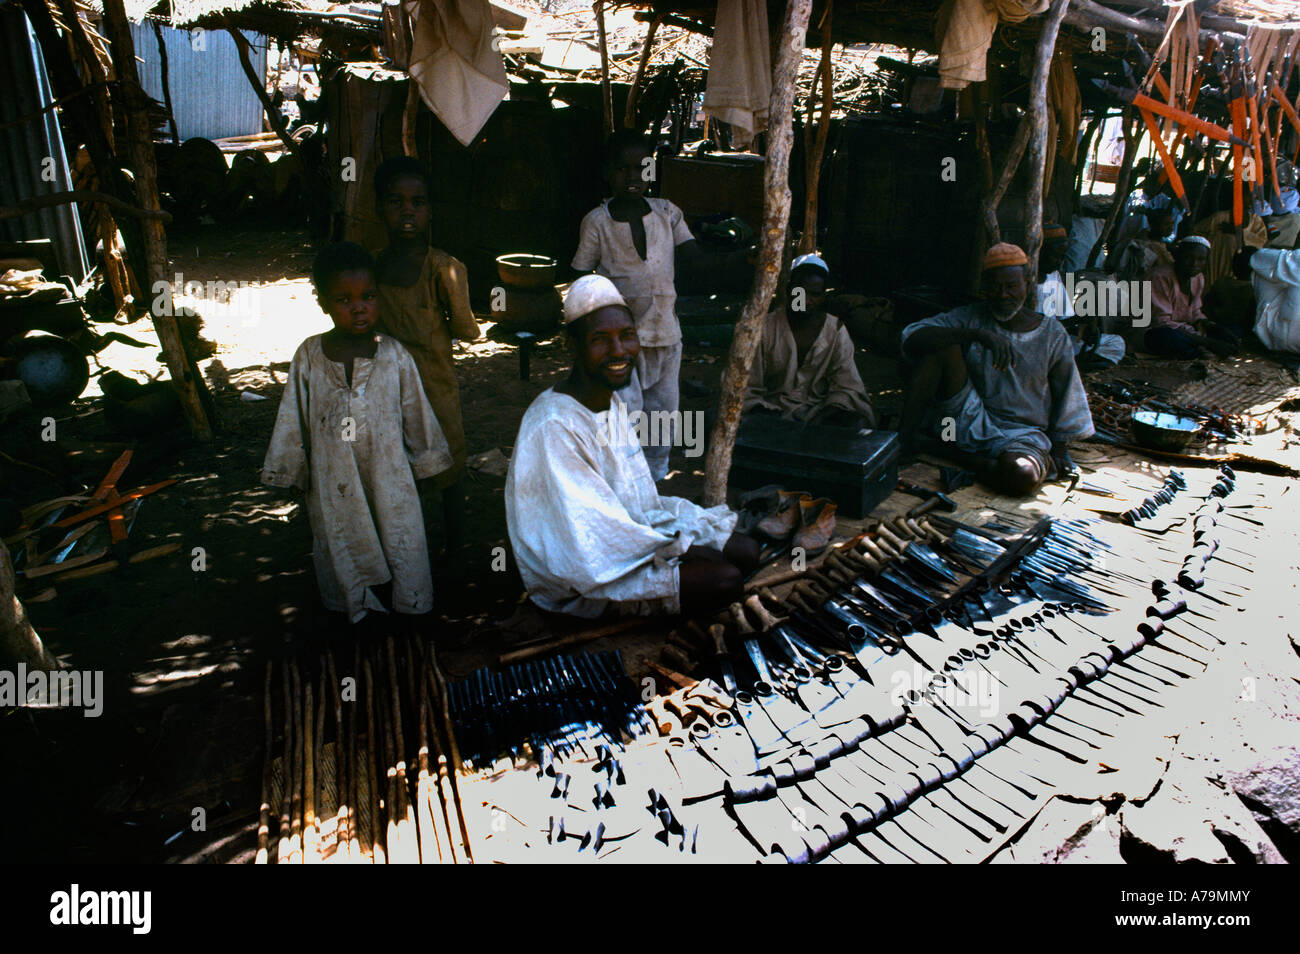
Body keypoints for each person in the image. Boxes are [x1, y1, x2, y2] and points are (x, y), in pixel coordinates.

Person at [505, 275, 760, 618]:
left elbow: (638, 501)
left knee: (747, 551)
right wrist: (679, 549)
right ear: (572, 346)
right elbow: (589, 539)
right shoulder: (554, 426)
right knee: (725, 581)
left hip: (631, 532)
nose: (618, 351)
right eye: (600, 340)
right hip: (587, 572)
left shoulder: (609, 401)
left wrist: (676, 543)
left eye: (627, 336)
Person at [262, 242, 452, 623]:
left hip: (390, 477)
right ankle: (355, 614)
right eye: (344, 299)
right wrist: (293, 472)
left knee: (399, 538)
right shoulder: (309, 357)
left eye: (367, 297)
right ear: (324, 303)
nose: (359, 307)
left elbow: (416, 415)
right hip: (334, 480)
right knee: (342, 538)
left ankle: (409, 612)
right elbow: (292, 419)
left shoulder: (395, 355)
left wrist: (427, 468)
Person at [899, 243, 1094, 497]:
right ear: (984, 288)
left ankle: (951, 453)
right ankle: (903, 442)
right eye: (995, 287)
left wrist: (1059, 449)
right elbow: (911, 338)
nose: (1003, 295)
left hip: (1021, 434)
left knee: (1022, 476)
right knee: (941, 345)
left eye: (1011, 286)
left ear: (1027, 283)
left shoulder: (1051, 335)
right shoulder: (972, 318)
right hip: (963, 420)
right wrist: (977, 335)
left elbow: (1067, 393)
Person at [570, 131, 700, 481]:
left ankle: (654, 480)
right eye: (621, 169)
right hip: (621, 343)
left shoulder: (667, 213)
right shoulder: (597, 222)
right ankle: (620, 482)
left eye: (641, 167)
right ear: (606, 173)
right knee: (623, 415)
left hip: (666, 337)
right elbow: (581, 275)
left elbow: (695, 257)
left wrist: (740, 259)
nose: (632, 176)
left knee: (662, 416)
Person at [372, 156, 480, 552]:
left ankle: (455, 544)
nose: (407, 211)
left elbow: (467, 328)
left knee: (447, 460)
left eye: (418, 202)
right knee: (396, 461)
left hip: (435, 387)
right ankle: (404, 541)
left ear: (430, 211)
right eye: (395, 201)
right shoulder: (373, 267)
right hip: (386, 389)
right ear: (379, 208)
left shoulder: (444, 268)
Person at [743, 253, 874, 427]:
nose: (806, 300)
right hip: (770, 409)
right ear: (789, 289)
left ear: (823, 297)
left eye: (815, 294)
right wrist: (765, 413)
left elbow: (847, 386)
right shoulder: (763, 328)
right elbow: (745, 385)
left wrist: (824, 416)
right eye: (800, 292)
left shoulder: (835, 331)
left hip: (817, 412)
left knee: (857, 424)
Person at [1037, 224, 1125, 369]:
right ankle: (1074, 365)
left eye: (1062, 257)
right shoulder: (1024, 282)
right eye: (1055, 256)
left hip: (1059, 341)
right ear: (1040, 252)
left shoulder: (1053, 276)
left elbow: (1064, 318)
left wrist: (1081, 328)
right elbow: (1034, 330)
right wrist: (1075, 321)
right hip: (1038, 345)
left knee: (1116, 342)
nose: (1059, 262)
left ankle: (1074, 364)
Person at [1145, 236, 1238, 358]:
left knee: (1231, 331)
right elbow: (1161, 322)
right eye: (1188, 257)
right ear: (1177, 256)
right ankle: (1197, 351)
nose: (1194, 264)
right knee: (1168, 338)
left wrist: (1210, 325)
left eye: (1201, 259)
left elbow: (1195, 312)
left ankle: (1198, 348)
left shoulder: (1197, 277)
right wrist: (1206, 342)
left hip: (1186, 330)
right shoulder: (1159, 277)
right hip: (1153, 330)